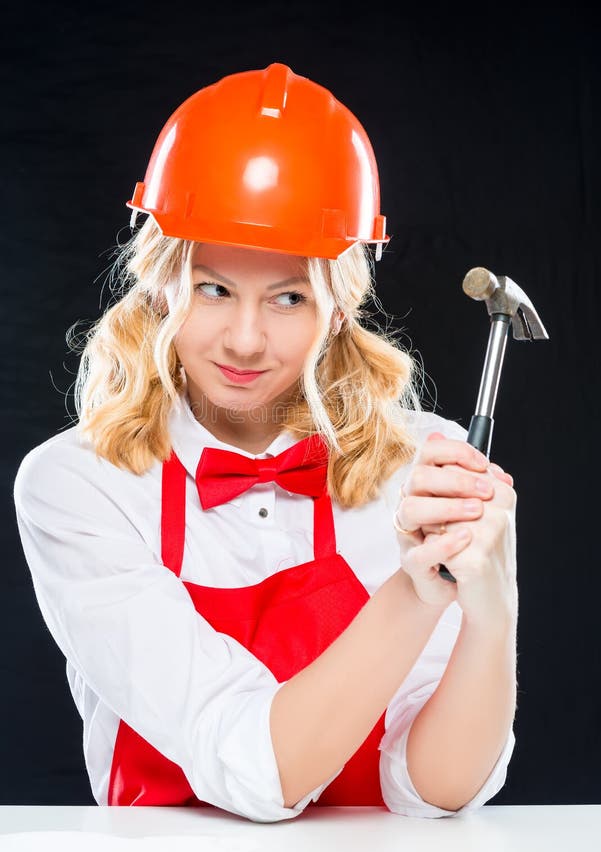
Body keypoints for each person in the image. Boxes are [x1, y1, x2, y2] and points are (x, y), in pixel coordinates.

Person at [13, 62, 518, 823]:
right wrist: (413, 592)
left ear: (341, 309)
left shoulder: (424, 465)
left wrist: (492, 608)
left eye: (288, 298)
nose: (244, 341)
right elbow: (253, 770)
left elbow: (436, 789)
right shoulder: (81, 487)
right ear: (158, 286)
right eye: (213, 289)